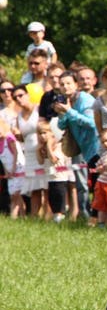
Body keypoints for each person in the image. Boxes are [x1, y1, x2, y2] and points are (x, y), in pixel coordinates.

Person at [53, 71, 100, 220]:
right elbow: (61, 125)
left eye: (68, 83)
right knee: (85, 185)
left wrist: (69, 111)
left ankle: (98, 219)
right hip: (84, 149)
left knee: (98, 185)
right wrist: (62, 113)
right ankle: (88, 217)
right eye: (62, 84)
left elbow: (91, 123)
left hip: (97, 147)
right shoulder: (67, 101)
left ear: (76, 84)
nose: (65, 86)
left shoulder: (85, 99)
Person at [13, 85, 46, 217]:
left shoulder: (39, 109)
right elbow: (22, 137)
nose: (18, 99)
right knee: (34, 187)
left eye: (20, 95)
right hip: (29, 153)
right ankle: (34, 216)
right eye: (15, 98)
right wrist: (18, 135)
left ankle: (48, 215)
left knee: (46, 186)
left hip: (42, 151)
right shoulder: (19, 116)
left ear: (28, 94)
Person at [36, 119, 69, 222]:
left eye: (45, 133)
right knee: (52, 199)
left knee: (59, 199)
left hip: (60, 178)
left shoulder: (58, 146)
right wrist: (38, 150)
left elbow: (54, 160)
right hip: (50, 178)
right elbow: (40, 161)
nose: (42, 136)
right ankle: (56, 217)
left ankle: (61, 217)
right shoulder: (43, 147)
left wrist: (49, 147)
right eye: (40, 133)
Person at [0, 115, 25, 218]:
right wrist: (7, 172)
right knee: (13, 196)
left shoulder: (9, 138)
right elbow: (2, 160)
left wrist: (14, 168)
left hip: (18, 169)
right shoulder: (0, 142)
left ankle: (21, 215)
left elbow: (16, 153)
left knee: (17, 194)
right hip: (10, 172)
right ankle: (15, 217)